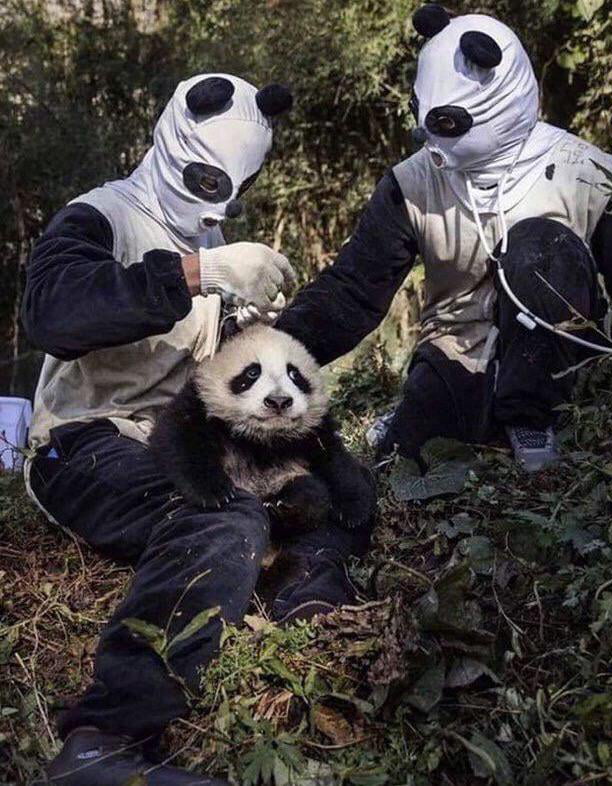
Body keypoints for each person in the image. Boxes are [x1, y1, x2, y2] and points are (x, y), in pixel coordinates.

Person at [23, 74, 369, 786]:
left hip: (186, 433)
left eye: (228, 188)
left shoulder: (212, 240)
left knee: (330, 486)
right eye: (204, 177)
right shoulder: (101, 216)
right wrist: (194, 272)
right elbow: (55, 312)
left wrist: (261, 313)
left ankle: (308, 603)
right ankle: (104, 741)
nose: (213, 199)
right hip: (84, 442)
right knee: (221, 515)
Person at [278, 5, 612, 473]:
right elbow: (352, 291)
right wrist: (271, 353)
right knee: (409, 451)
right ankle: (448, 414)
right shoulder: (411, 183)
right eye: (422, 117)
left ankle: (531, 418)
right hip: (460, 346)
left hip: (563, 361)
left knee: (539, 248)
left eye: (445, 123)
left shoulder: (589, 173)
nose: (428, 138)